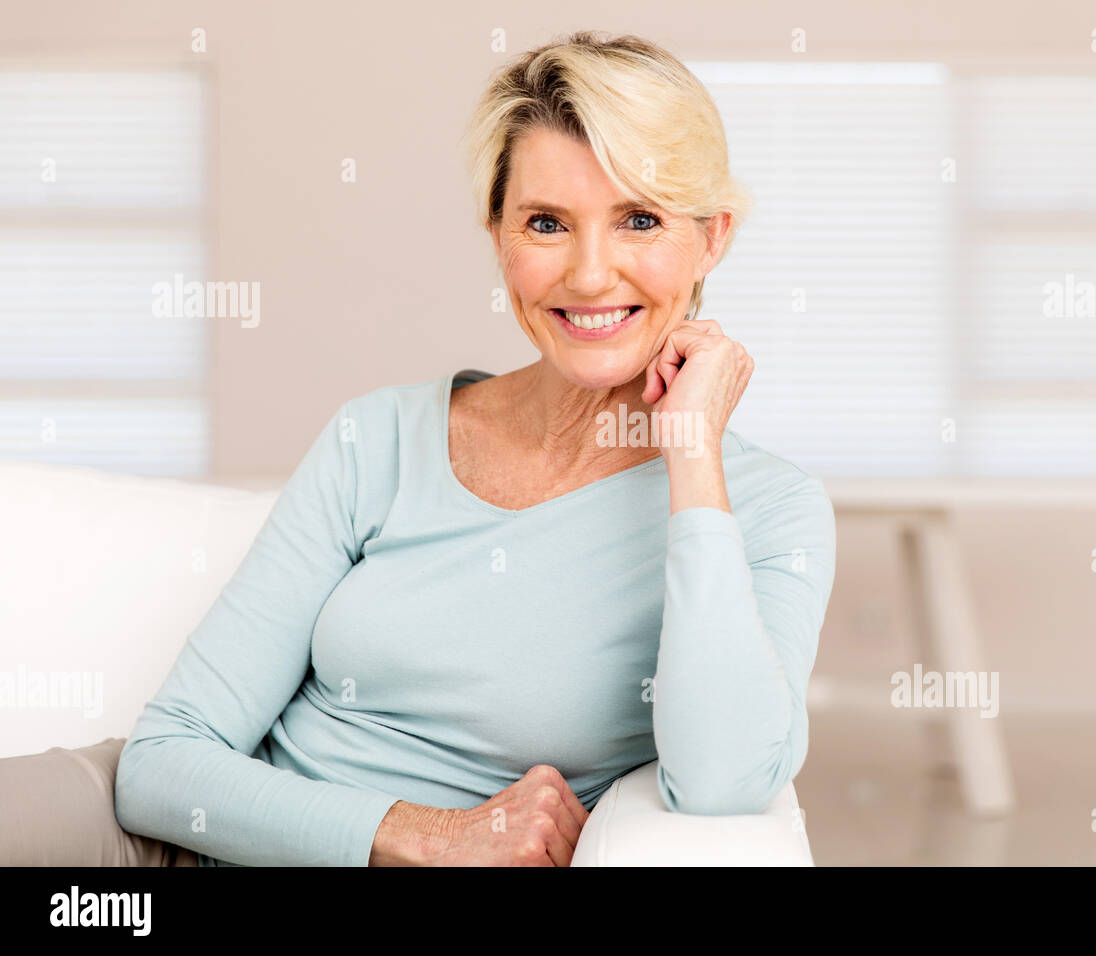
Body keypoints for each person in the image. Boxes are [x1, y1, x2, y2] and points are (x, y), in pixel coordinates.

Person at [0, 30, 836, 867]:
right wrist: (423, 836)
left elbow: (724, 780)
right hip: (158, 840)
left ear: (712, 237)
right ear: (497, 233)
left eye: (640, 220)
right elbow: (159, 764)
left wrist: (692, 454)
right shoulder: (382, 437)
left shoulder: (765, 509)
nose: (588, 275)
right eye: (546, 222)